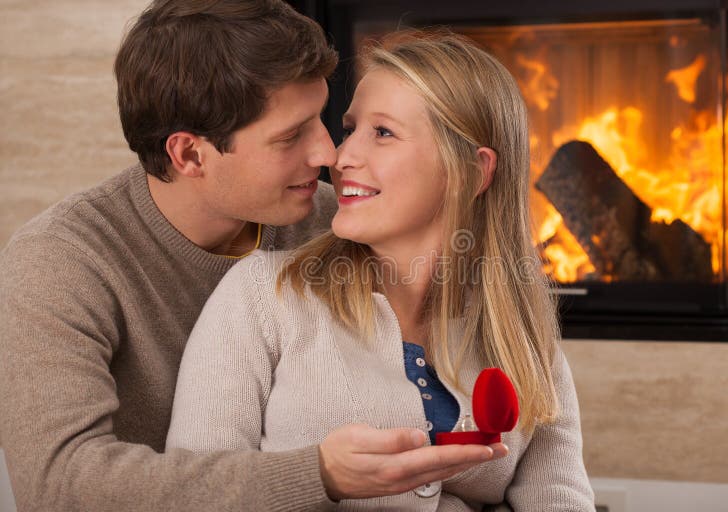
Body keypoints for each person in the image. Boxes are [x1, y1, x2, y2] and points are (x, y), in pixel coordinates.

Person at [0, 3, 501, 511]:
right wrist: (318, 474)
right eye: (291, 136)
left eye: (323, 121)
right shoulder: (60, 263)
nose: (329, 155)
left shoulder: (337, 222)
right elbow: (58, 486)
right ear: (190, 155)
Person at [166, 30, 595, 510]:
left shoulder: (518, 329)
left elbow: (558, 499)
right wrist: (321, 477)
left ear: (473, 172)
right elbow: (195, 495)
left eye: (383, 133)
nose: (341, 157)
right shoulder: (264, 295)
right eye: (350, 128)